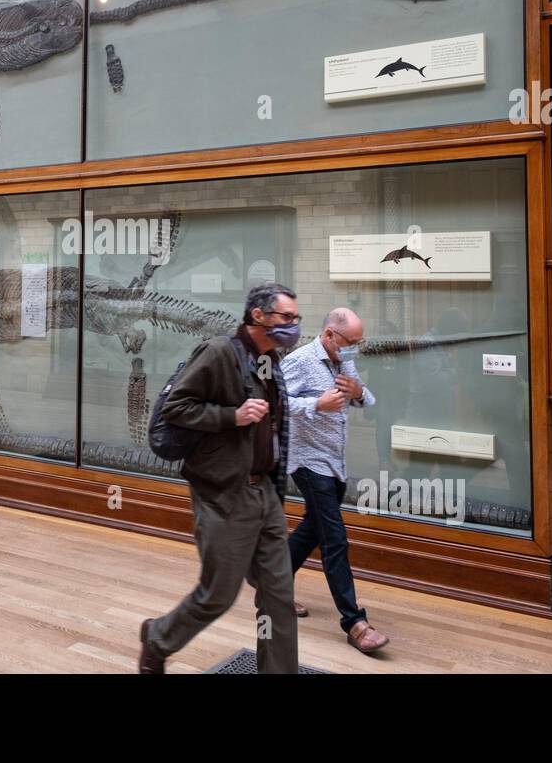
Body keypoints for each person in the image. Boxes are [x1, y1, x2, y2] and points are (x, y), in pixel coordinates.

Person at [138, 283, 299, 674]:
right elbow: (176, 407)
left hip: (265, 494)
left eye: (296, 318)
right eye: (286, 318)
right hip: (224, 496)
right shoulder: (219, 352)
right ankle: (158, 639)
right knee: (218, 595)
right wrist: (232, 416)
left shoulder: (268, 359)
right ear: (257, 316)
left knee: (279, 596)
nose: (293, 325)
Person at [282, 307, 388, 653]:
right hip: (309, 463)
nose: (355, 348)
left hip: (336, 463)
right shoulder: (299, 361)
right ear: (329, 335)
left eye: (359, 342)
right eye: (350, 342)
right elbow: (273, 403)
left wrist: (357, 391)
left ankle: (271, 581)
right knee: (334, 539)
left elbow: (367, 398)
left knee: (312, 529)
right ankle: (354, 622)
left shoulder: (344, 360)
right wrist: (317, 404)